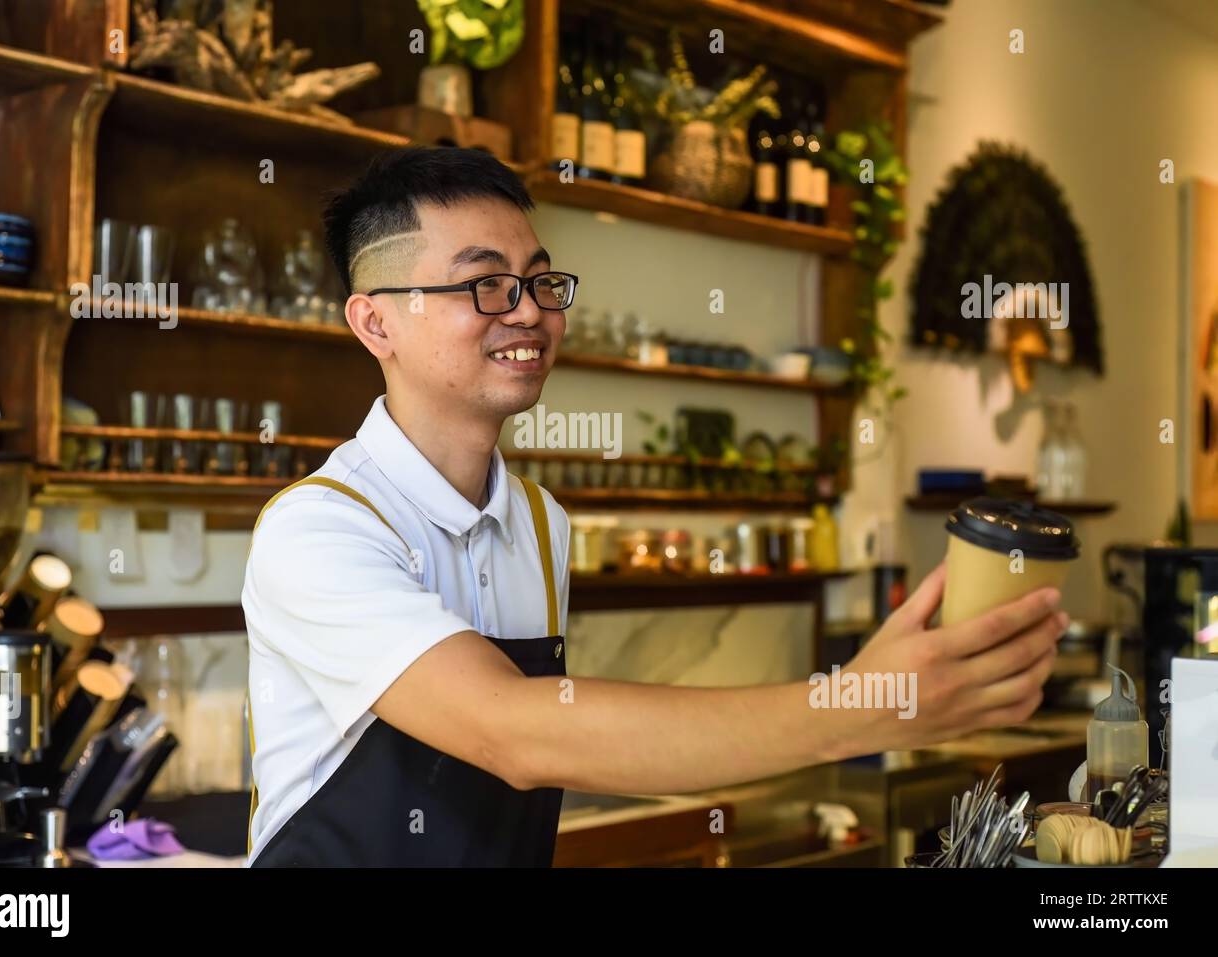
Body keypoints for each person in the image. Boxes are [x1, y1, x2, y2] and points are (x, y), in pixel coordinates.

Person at [242, 147, 1067, 867]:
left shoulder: (539, 521)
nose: (530, 310)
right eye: (485, 283)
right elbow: (520, 733)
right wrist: (863, 703)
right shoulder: (319, 528)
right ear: (374, 320)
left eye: (540, 280)